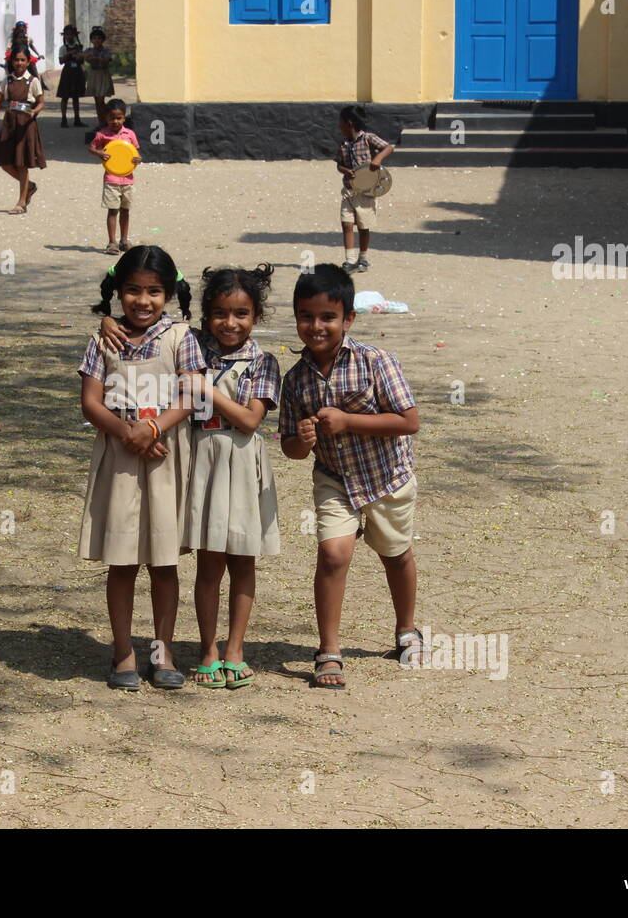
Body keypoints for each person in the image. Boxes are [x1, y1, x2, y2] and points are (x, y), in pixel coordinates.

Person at [100, 265, 281, 690]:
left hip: (240, 460)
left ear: (256, 316)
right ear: (204, 315)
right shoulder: (190, 343)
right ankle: (208, 649)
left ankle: (235, 648)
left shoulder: (262, 361)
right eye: (219, 312)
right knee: (207, 559)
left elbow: (251, 420)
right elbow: (146, 322)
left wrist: (205, 388)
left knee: (242, 557)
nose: (230, 323)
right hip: (198, 459)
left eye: (241, 314)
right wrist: (106, 318)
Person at [278, 265, 422, 690]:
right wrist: (302, 440)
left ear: (348, 319)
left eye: (328, 317)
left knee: (395, 554)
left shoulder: (375, 362)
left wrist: (348, 421)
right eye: (306, 316)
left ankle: (407, 630)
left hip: (386, 478)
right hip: (334, 478)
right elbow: (290, 447)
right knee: (333, 554)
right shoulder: (296, 379)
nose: (316, 326)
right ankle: (328, 650)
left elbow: (409, 421)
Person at [77, 246, 205, 691]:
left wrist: (152, 428)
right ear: (118, 291)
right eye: (132, 290)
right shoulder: (103, 340)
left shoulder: (181, 338)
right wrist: (125, 432)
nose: (142, 301)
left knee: (164, 561)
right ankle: (123, 651)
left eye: (153, 291)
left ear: (168, 293)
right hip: (119, 460)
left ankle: (162, 650)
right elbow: (90, 402)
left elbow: (192, 396)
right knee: (122, 561)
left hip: (164, 460)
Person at [0, 46, 47, 215]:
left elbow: (41, 101)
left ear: (28, 62)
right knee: (4, 162)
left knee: (22, 163)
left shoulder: (32, 81)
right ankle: (29, 186)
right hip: (10, 123)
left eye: (22, 60)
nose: (19, 63)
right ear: (12, 61)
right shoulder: (8, 80)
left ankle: (21, 201)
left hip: (26, 124)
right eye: (16, 60)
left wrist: (35, 111)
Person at [335, 105, 394, 274]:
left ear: (350, 123)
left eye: (341, 123)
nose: (339, 127)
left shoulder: (368, 138)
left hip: (366, 192)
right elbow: (339, 164)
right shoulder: (343, 144)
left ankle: (363, 258)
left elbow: (388, 147)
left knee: (363, 226)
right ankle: (350, 260)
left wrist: (378, 159)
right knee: (346, 224)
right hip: (348, 190)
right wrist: (343, 170)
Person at [87, 99, 141, 254]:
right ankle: (112, 243)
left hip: (128, 178)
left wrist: (138, 159)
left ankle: (124, 241)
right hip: (111, 178)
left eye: (119, 118)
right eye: (112, 118)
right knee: (112, 210)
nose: (115, 121)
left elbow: (135, 152)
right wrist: (99, 153)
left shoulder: (130, 134)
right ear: (106, 118)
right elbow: (91, 148)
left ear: (124, 118)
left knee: (125, 210)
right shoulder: (102, 134)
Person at [56, 25, 87, 128]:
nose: (69, 36)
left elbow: (82, 60)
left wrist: (79, 57)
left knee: (76, 97)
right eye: (67, 34)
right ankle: (64, 119)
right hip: (67, 73)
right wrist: (69, 54)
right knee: (65, 96)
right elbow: (61, 61)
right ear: (64, 35)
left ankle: (77, 119)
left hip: (77, 72)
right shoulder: (63, 48)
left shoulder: (79, 47)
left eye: (71, 34)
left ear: (75, 35)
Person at [83, 26, 115, 126]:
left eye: (99, 38)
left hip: (102, 75)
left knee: (101, 100)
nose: (96, 40)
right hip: (93, 76)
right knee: (97, 101)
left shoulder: (105, 51)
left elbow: (107, 59)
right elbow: (84, 57)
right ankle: (101, 122)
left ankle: (107, 119)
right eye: (94, 38)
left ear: (103, 40)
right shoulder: (89, 50)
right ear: (91, 40)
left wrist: (95, 58)